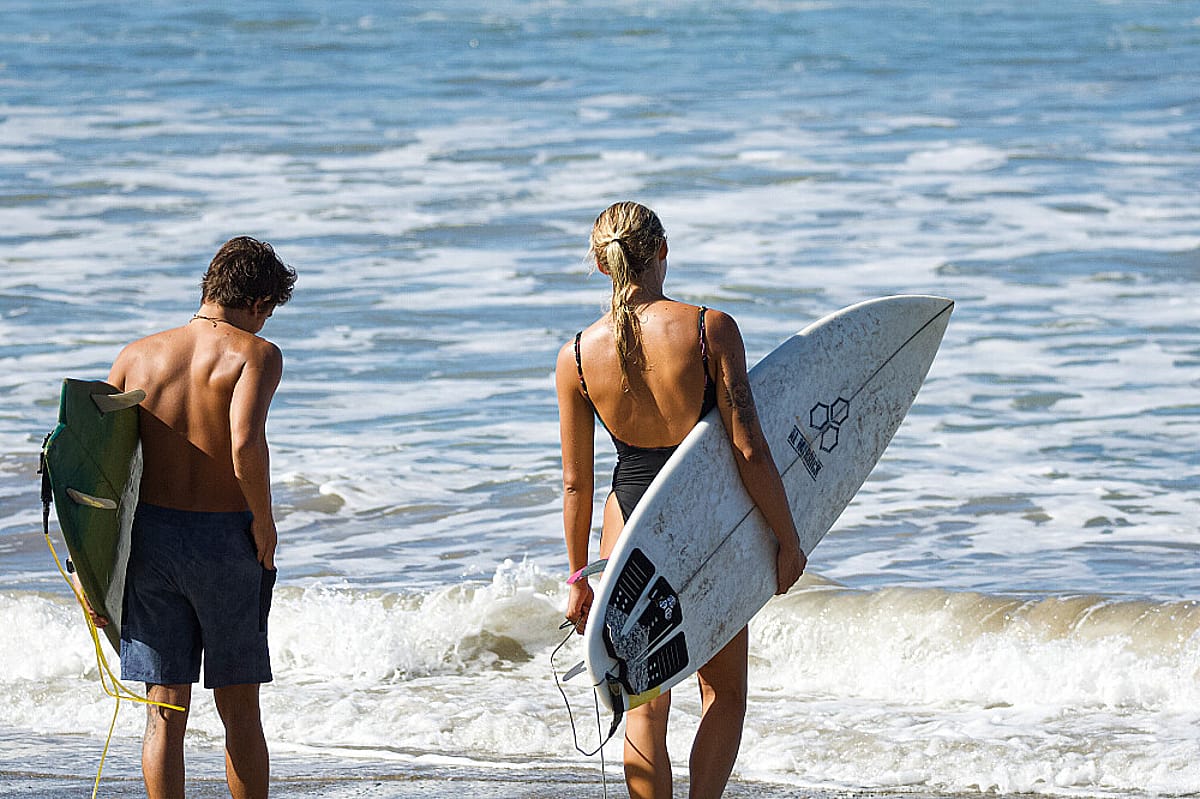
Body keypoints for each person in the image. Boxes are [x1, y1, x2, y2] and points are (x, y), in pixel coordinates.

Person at [555, 202, 806, 799]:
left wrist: (576, 578)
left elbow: (576, 484)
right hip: (706, 523)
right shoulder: (708, 329)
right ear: (663, 251)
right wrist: (788, 538)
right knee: (723, 693)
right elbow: (748, 450)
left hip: (628, 531)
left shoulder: (576, 358)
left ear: (598, 263)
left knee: (642, 704)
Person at [92, 236, 295, 799]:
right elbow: (244, 445)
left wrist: (96, 568)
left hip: (149, 540)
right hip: (224, 542)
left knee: (163, 708)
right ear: (258, 303)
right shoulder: (256, 354)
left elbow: (101, 472)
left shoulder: (135, 356)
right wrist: (264, 521)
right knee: (238, 705)